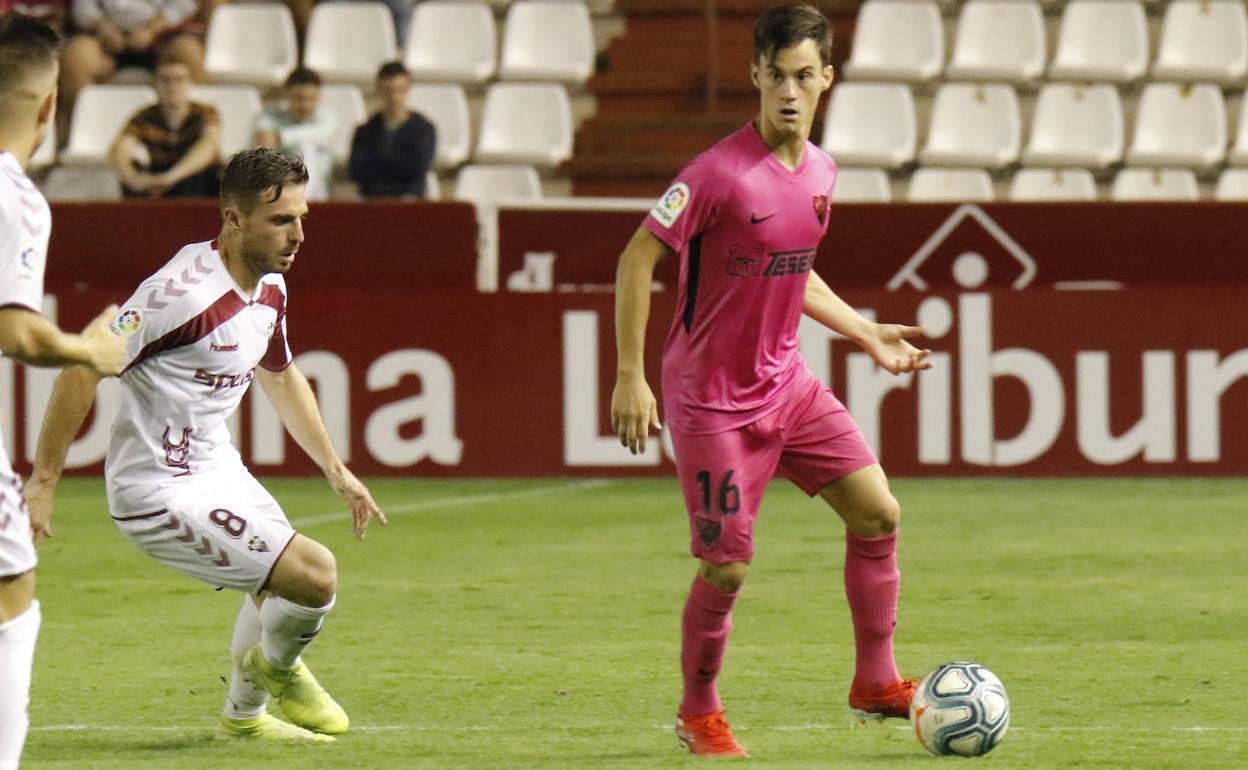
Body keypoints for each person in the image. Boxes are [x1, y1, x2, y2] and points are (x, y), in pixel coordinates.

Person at [610, 4, 933, 758]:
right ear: (757, 75)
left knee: (878, 513)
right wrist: (630, 374)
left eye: (804, 76)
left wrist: (864, 330)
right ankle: (698, 712)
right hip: (711, 402)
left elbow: (793, 268)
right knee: (726, 567)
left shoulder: (821, 171)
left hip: (787, 386)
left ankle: (876, 682)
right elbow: (636, 258)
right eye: (775, 75)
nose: (789, 91)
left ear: (827, 79)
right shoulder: (715, 175)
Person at [23, 147, 387, 743]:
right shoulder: (177, 295)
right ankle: (277, 669)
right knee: (314, 574)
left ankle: (242, 723)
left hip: (216, 468)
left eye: (300, 219)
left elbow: (279, 373)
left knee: (281, 584)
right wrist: (42, 482)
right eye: (280, 222)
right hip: (156, 490)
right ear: (233, 219)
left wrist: (335, 469)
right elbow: (81, 370)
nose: (297, 236)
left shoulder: (269, 285)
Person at [0, 14, 127, 769]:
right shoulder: (13, 196)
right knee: (13, 594)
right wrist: (92, 348)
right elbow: (16, 331)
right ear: (50, 106)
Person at [58, 0, 205, 142]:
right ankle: (80, 136)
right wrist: (103, 28)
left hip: (164, 36)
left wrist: (151, 29)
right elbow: (83, 6)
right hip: (106, 40)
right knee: (76, 56)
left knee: (189, 51)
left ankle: (189, 135)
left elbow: (185, 4)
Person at [109, 48, 220, 197]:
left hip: (191, 179)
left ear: (190, 83)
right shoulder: (144, 116)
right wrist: (134, 180)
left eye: (179, 80)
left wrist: (172, 177)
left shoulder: (204, 113)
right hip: (160, 175)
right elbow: (120, 149)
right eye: (165, 80)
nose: (172, 87)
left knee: (205, 174)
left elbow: (208, 147)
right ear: (155, 84)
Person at [349, 61, 436, 199]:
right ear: (378, 90)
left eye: (400, 90)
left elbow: (417, 168)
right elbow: (357, 171)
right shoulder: (365, 130)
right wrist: (399, 163)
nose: (394, 97)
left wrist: (377, 161)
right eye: (388, 91)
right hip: (372, 199)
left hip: (409, 199)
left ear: (408, 90)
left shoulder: (423, 129)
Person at [254, 67, 336, 202]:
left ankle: (302, 201)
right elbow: (264, 143)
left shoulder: (328, 119)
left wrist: (280, 137)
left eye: (311, 99)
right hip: (276, 188)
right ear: (287, 95)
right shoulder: (268, 117)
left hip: (318, 194)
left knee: (305, 147)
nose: (305, 105)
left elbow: (321, 134)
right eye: (299, 98)